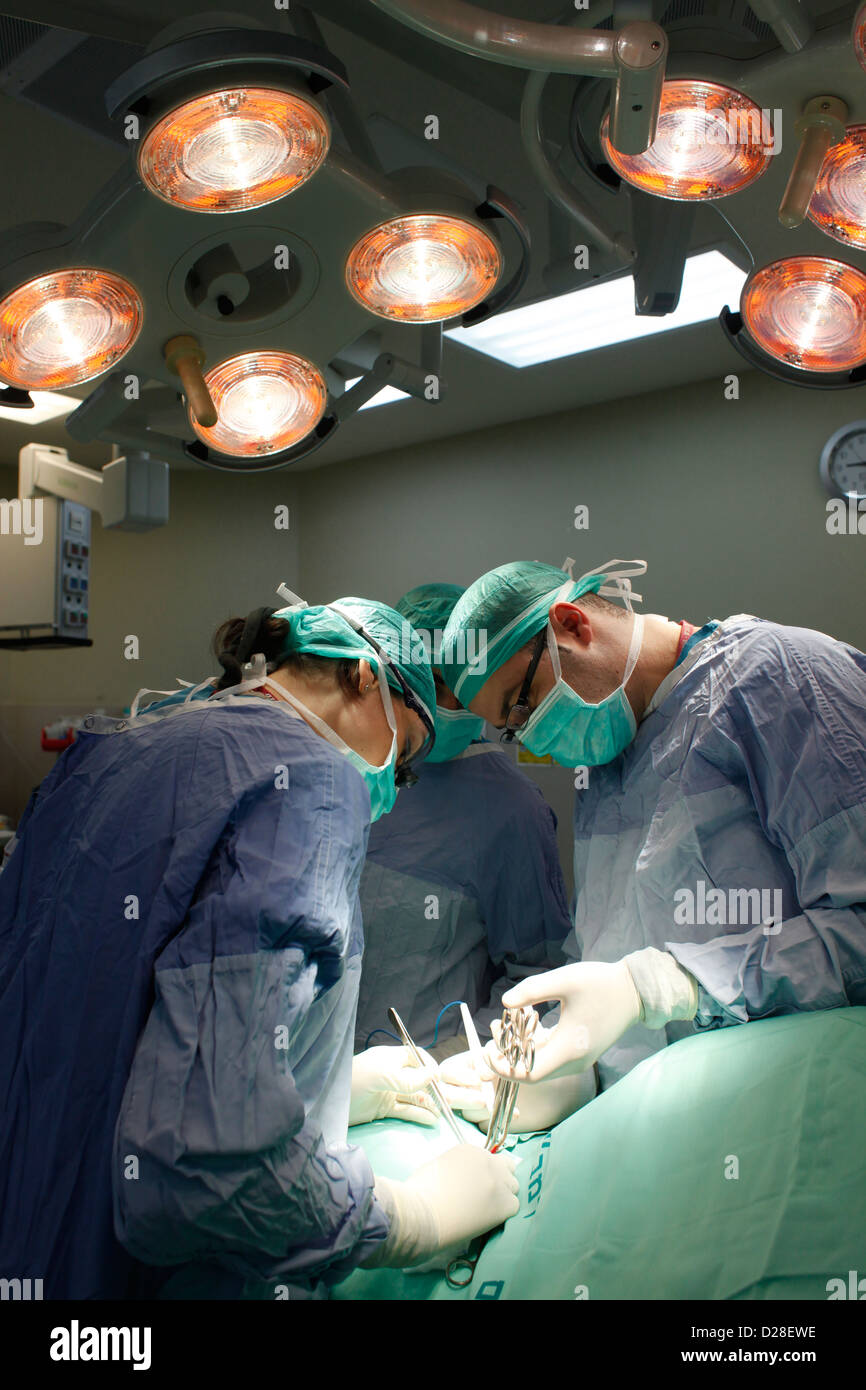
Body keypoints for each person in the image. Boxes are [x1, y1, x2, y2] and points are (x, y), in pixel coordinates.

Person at [0, 589, 518, 1300]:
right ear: (366, 676)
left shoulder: (111, 754)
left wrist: (325, 1087)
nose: (393, 791)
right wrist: (413, 1219)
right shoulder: (310, 781)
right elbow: (209, 1170)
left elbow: (94, 1019)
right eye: (404, 756)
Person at [438, 557, 866, 1094]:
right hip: (660, 1137)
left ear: (572, 625)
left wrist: (665, 987)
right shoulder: (605, 766)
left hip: (797, 1126)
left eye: (522, 706)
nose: (531, 741)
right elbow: (604, 960)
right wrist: (554, 1065)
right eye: (511, 729)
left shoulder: (782, 677)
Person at [355, 582, 574, 1072]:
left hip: (431, 1091)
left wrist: (455, 1062)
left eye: (460, 682)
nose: (447, 700)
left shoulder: (512, 809)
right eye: (430, 680)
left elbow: (537, 981)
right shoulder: (353, 778)